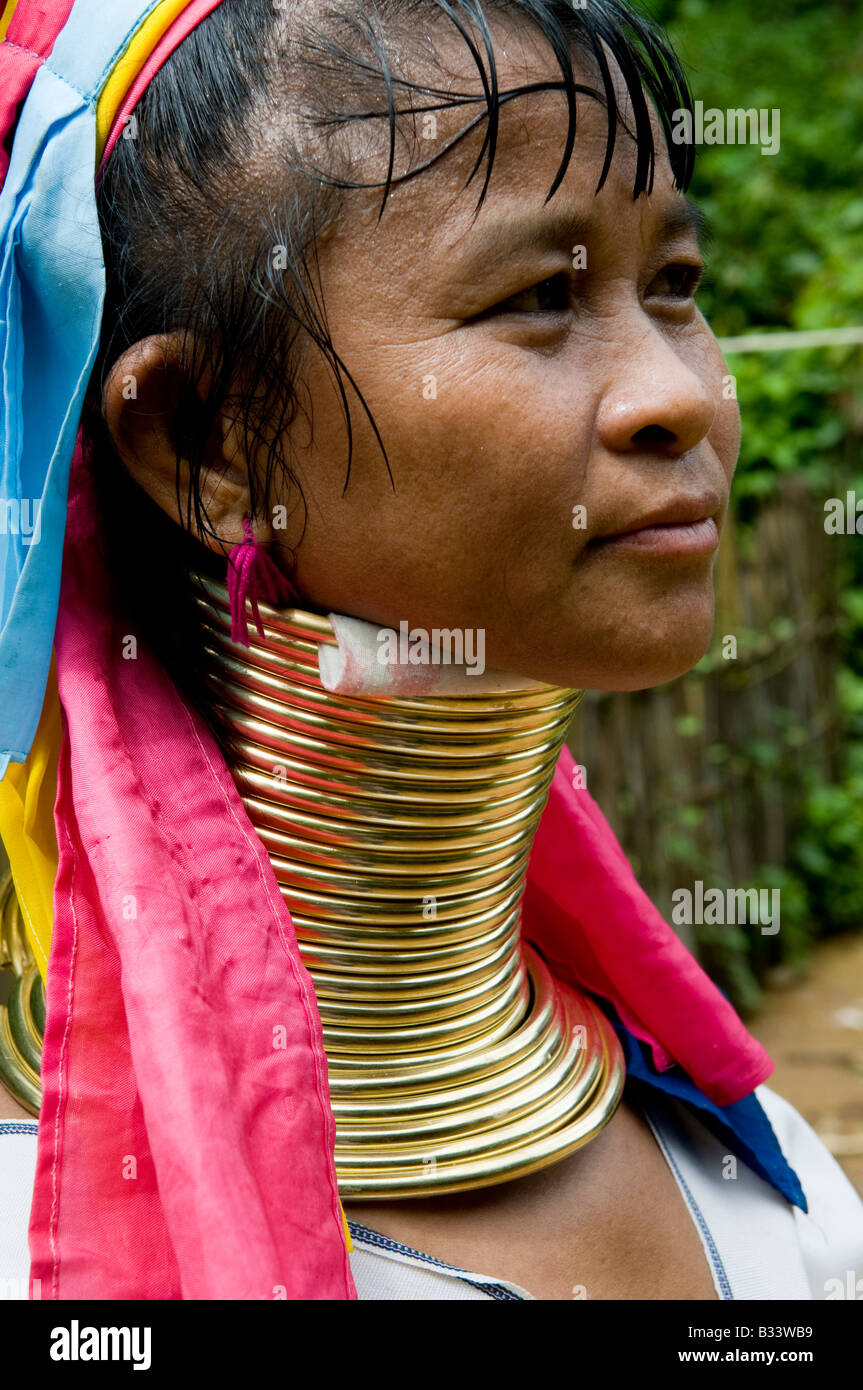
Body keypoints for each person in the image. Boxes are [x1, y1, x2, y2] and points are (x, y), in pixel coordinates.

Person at [0, 0, 861, 1301]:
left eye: (674, 286)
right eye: (542, 297)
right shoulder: (42, 1254)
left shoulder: (750, 1159)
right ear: (204, 442)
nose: (684, 393)